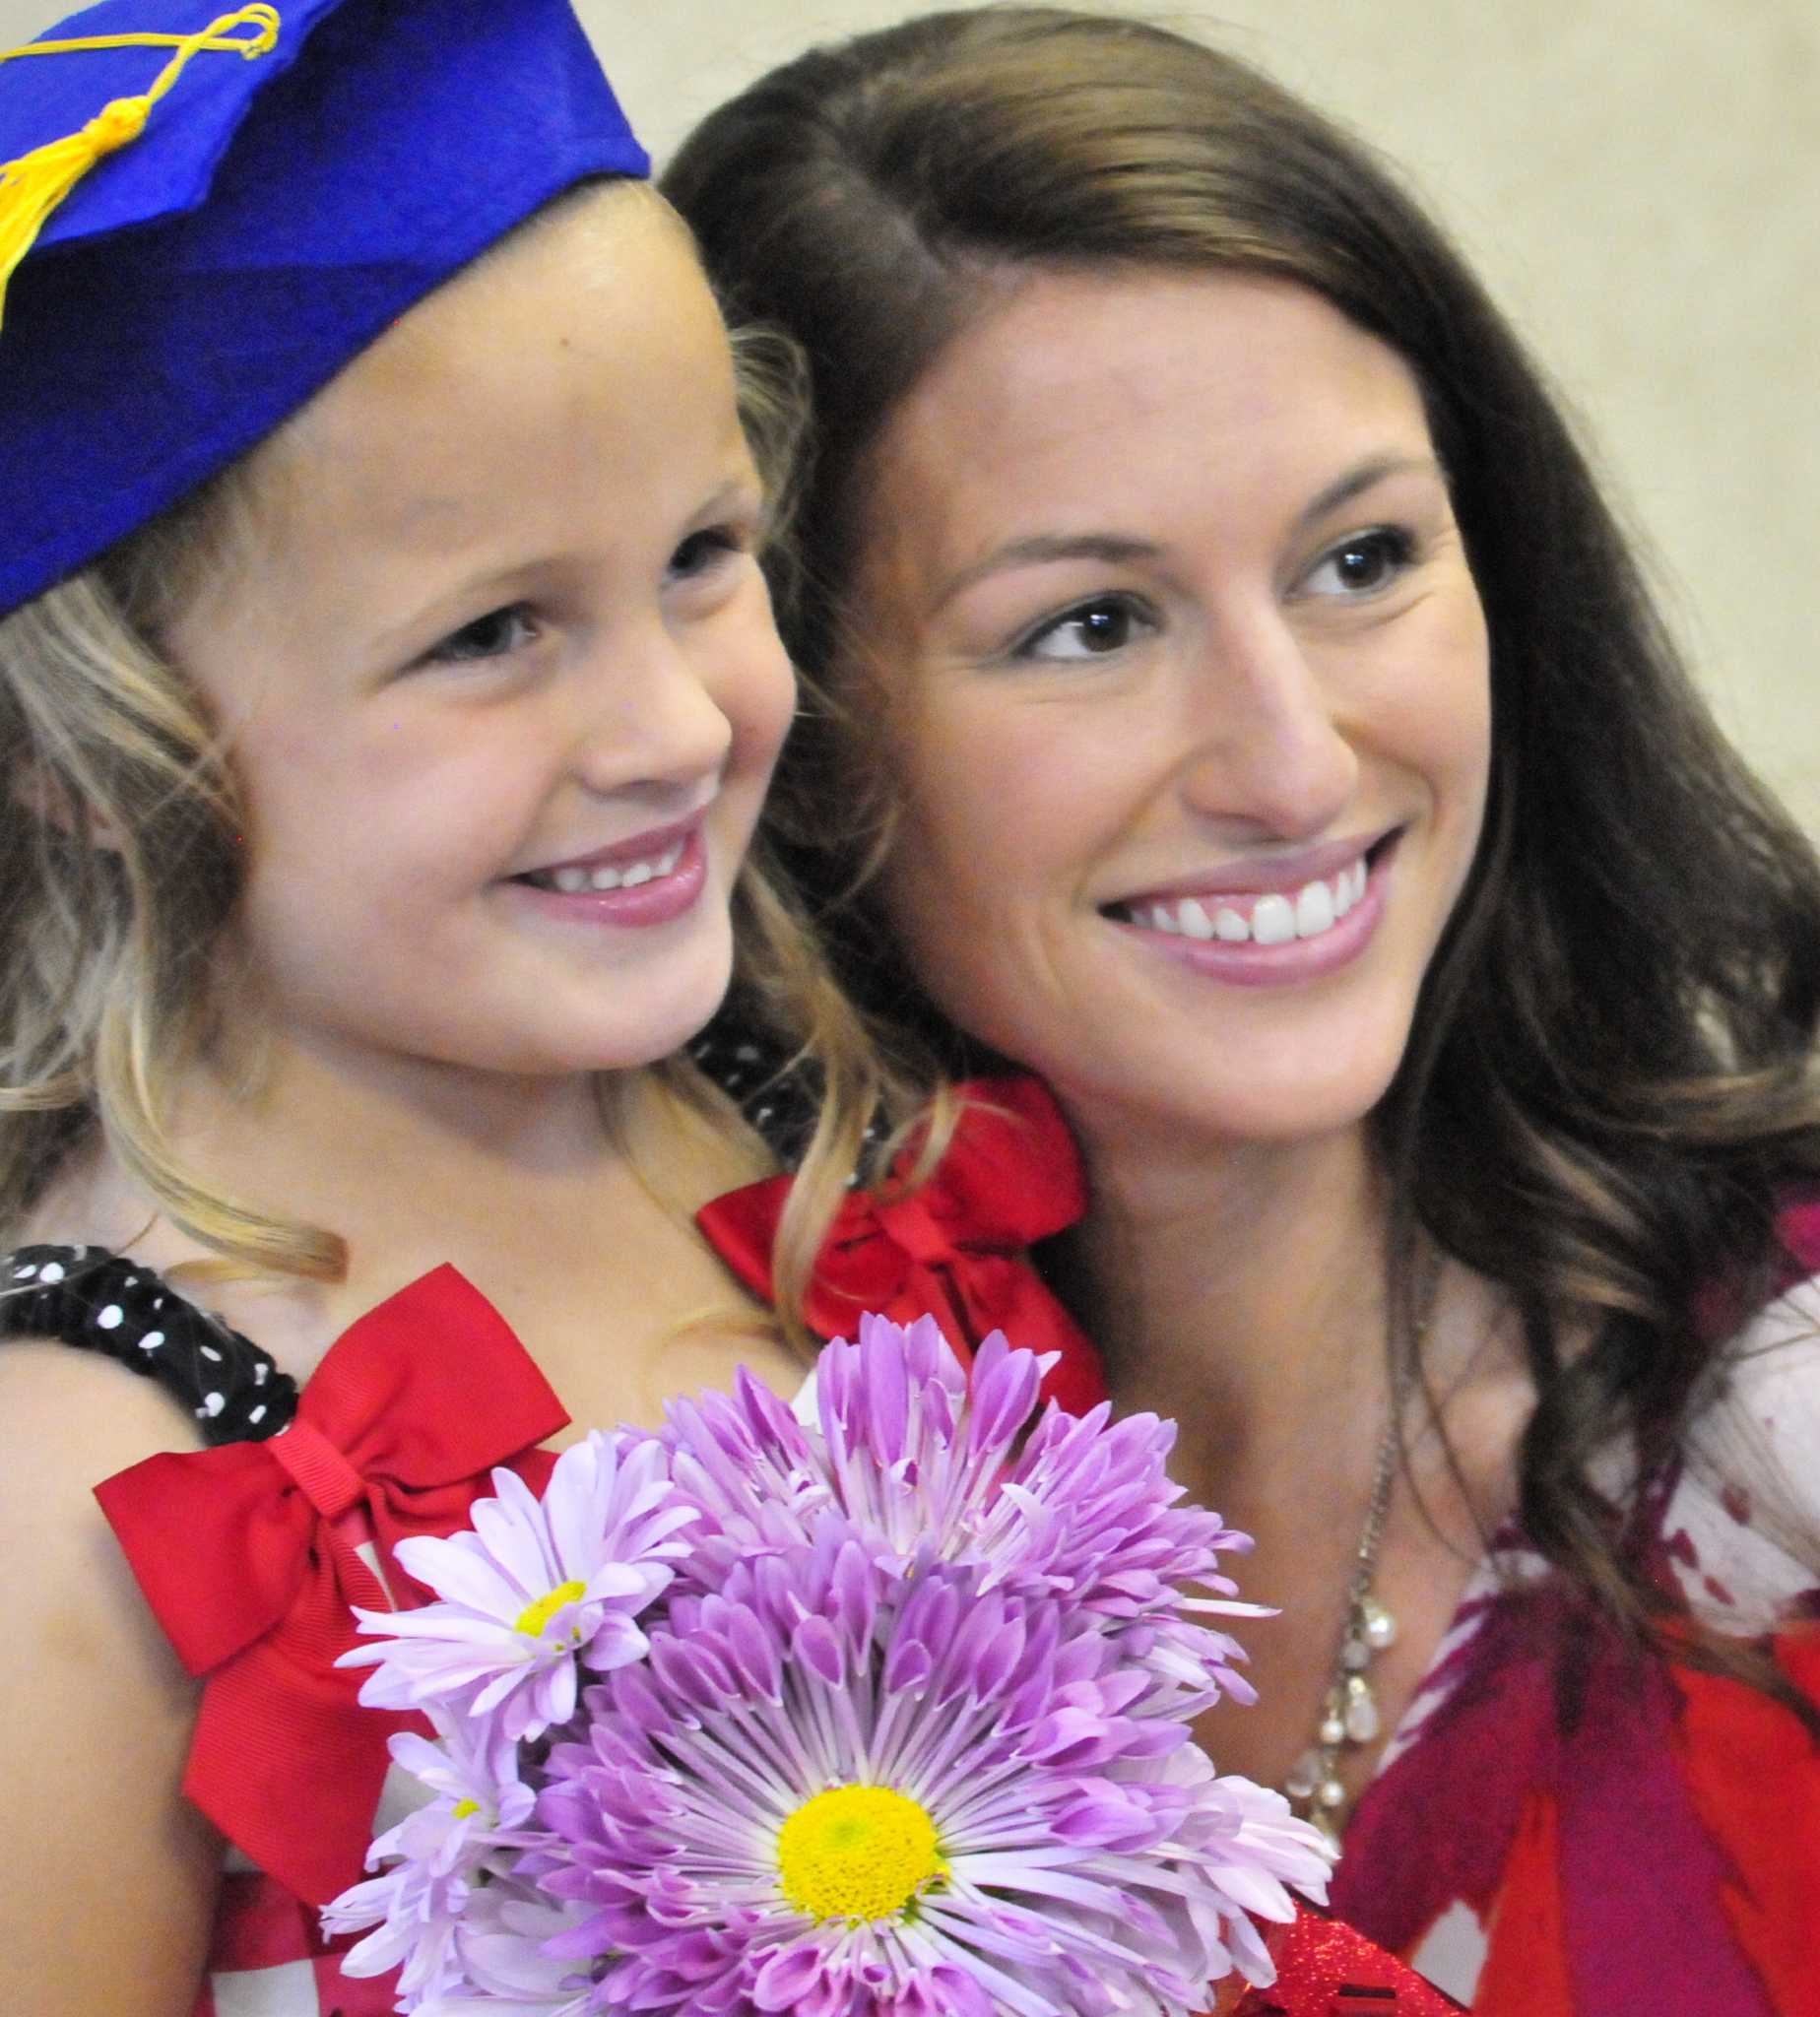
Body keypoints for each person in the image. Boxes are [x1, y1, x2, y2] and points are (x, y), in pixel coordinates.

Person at [664, 9, 1820, 2009]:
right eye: (1092, 624)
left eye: (1362, 558)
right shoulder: (675, 1531)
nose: (1291, 764)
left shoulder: (1783, 1450)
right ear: (804, 733)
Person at [0, 5, 1113, 2011]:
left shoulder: (847, 1144)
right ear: (90, 746)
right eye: (494, 633)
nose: (678, 726)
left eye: (702, 554)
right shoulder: (73, 1507)